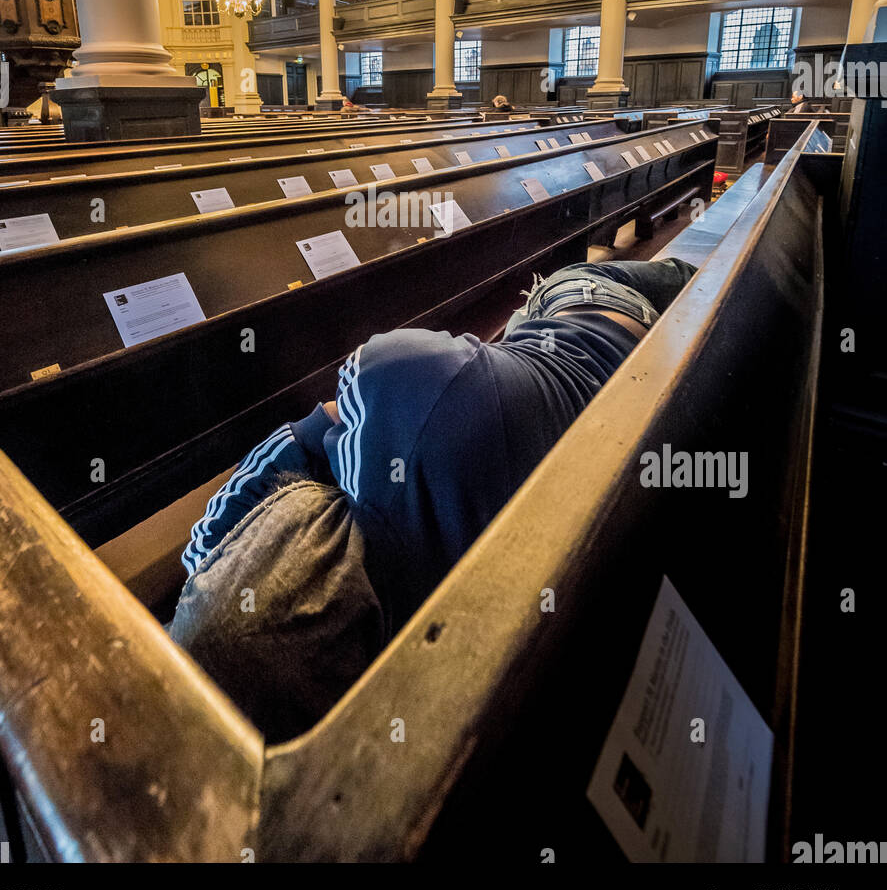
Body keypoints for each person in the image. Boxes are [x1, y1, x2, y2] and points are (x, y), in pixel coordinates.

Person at [171, 256, 696, 736]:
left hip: (622, 404)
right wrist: (208, 578)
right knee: (614, 282)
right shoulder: (397, 384)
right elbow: (307, 433)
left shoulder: (428, 652)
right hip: (597, 317)